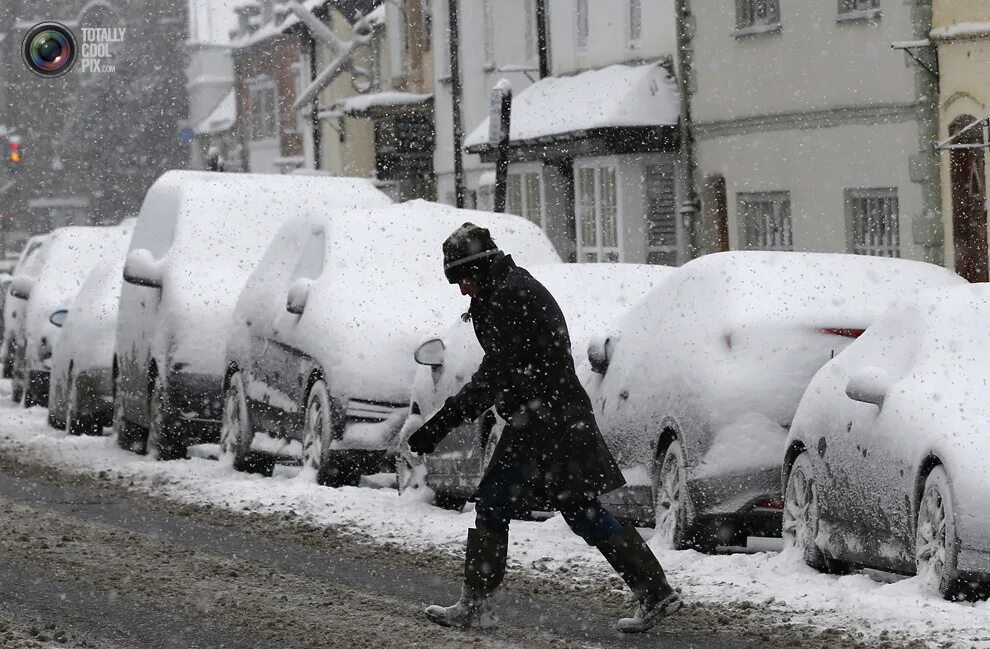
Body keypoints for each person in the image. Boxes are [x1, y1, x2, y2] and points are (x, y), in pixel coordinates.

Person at [407, 223, 682, 633]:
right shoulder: (505, 290)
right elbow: (503, 369)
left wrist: (440, 423)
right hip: (547, 418)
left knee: (514, 505)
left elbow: (497, 374)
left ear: (479, 268)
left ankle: (478, 605)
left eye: (463, 279)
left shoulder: (510, 297)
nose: (462, 290)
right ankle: (655, 592)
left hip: (546, 422)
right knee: (567, 510)